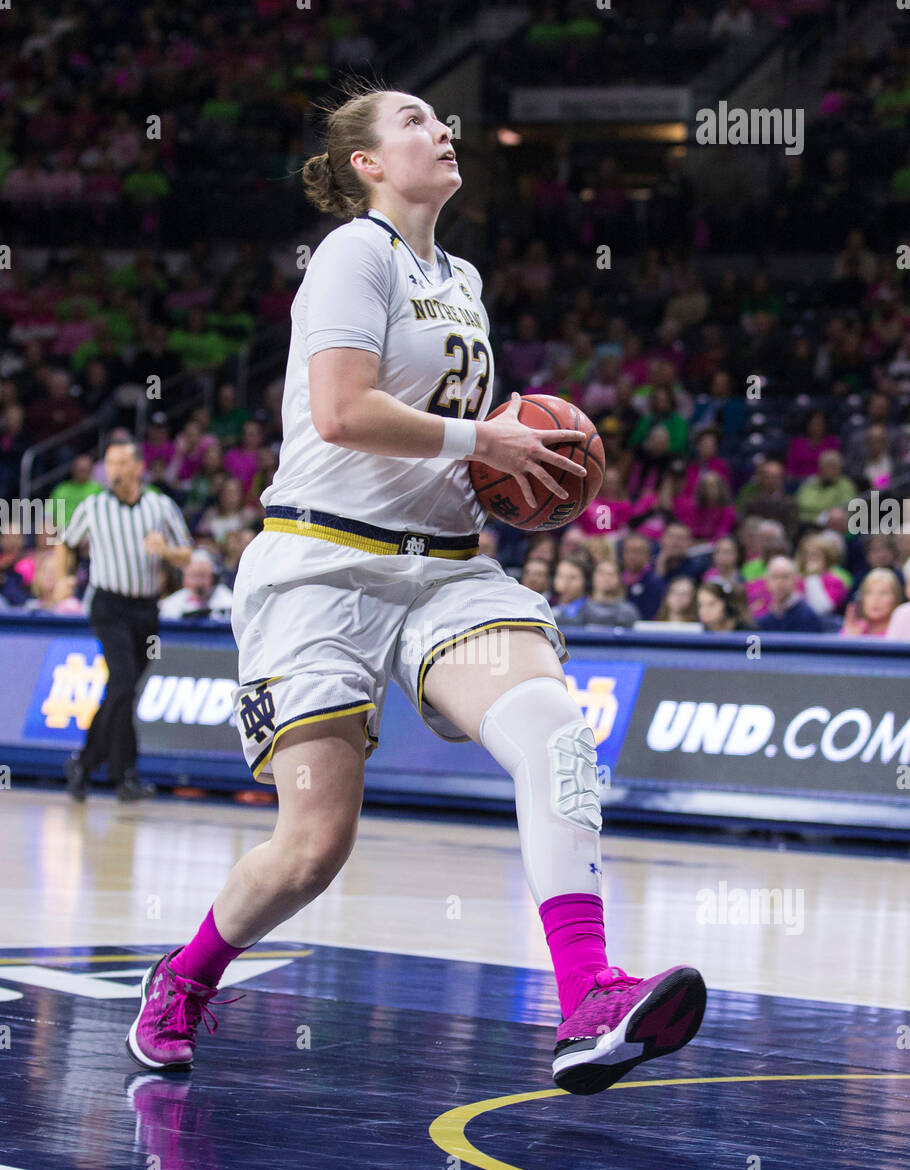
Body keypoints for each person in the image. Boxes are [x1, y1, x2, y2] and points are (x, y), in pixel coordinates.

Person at [125, 83, 705, 1093]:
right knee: (313, 848)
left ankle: (589, 996)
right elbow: (345, 412)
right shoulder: (355, 251)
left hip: (441, 566)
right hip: (319, 569)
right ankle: (185, 975)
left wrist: (518, 470)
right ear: (366, 163)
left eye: (445, 120)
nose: (443, 131)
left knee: (557, 734)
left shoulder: (463, 275)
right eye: (415, 122)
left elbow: (451, 440)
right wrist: (487, 437)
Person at [57, 440, 193, 800]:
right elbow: (66, 544)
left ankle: (88, 765)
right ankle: (120, 773)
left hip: (146, 608)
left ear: (137, 467)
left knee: (123, 690)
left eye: (121, 463)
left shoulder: (159, 505)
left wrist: (166, 551)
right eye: (110, 463)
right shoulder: (94, 505)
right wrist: (62, 580)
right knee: (123, 681)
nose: (114, 470)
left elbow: (187, 554)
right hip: (108, 606)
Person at [158, 549, 234, 620]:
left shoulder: (228, 602)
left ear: (213, 578)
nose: (198, 582)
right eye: (193, 576)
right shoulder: (170, 604)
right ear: (184, 578)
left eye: (202, 576)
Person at [754, 557, 823, 633]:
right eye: (774, 577)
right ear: (766, 581)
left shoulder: (807, 615)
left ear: (795, 580)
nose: (780, 582)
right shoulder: (761, 616)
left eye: (785, 577)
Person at [840, 568, 904, 637]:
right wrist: (850, 639)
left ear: (896, 597)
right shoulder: (853, 628)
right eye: (869, 593)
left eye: (883, 593)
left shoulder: (901, 630)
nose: (876, 599)